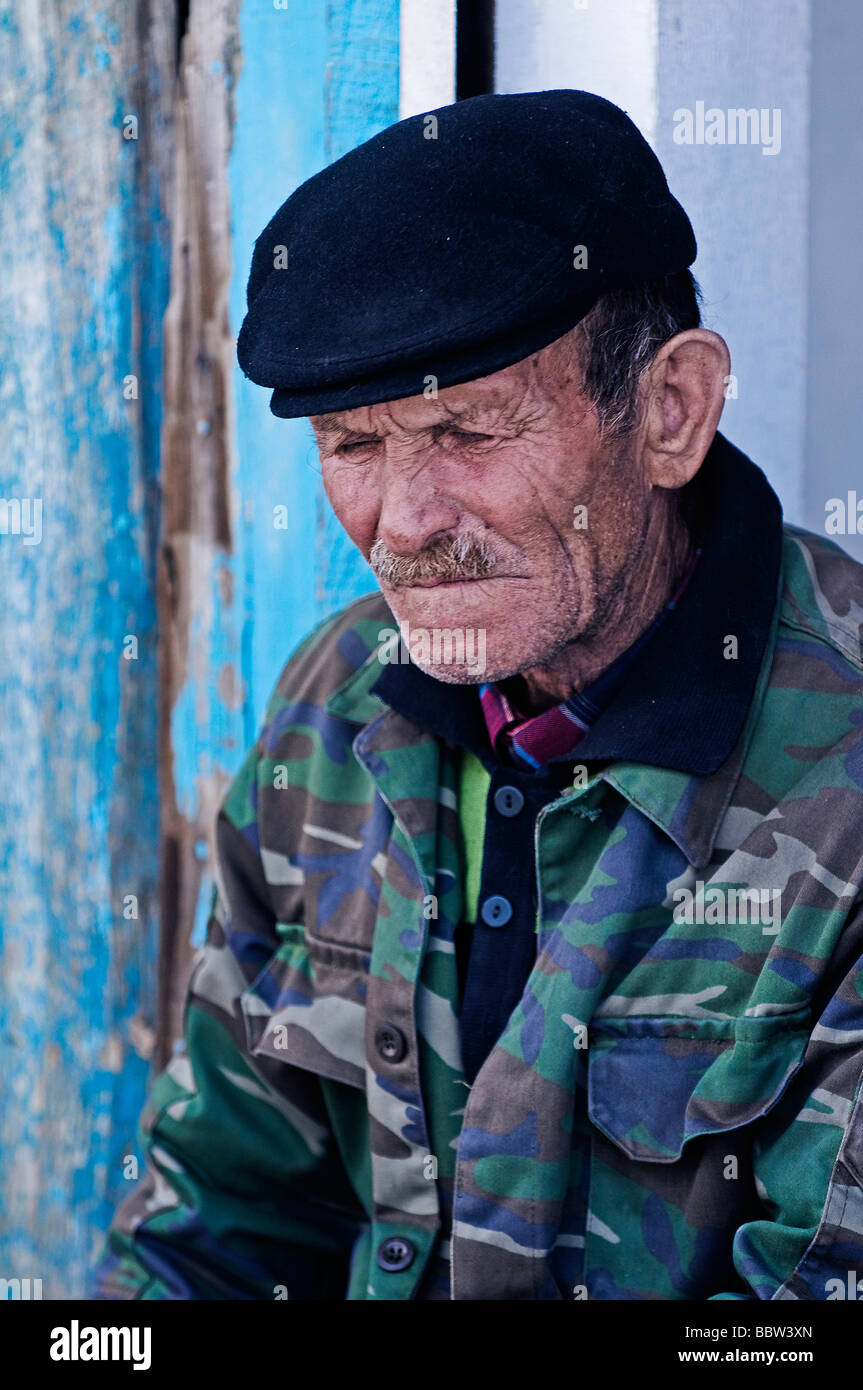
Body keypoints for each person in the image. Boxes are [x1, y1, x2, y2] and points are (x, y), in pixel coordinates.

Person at [93, 89, 863, 1301]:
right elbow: (215, 1222)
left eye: (465, 429)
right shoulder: (336, 704)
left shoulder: (843, 775)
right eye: (352, 444)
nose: (403, 525)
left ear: (668, 410)